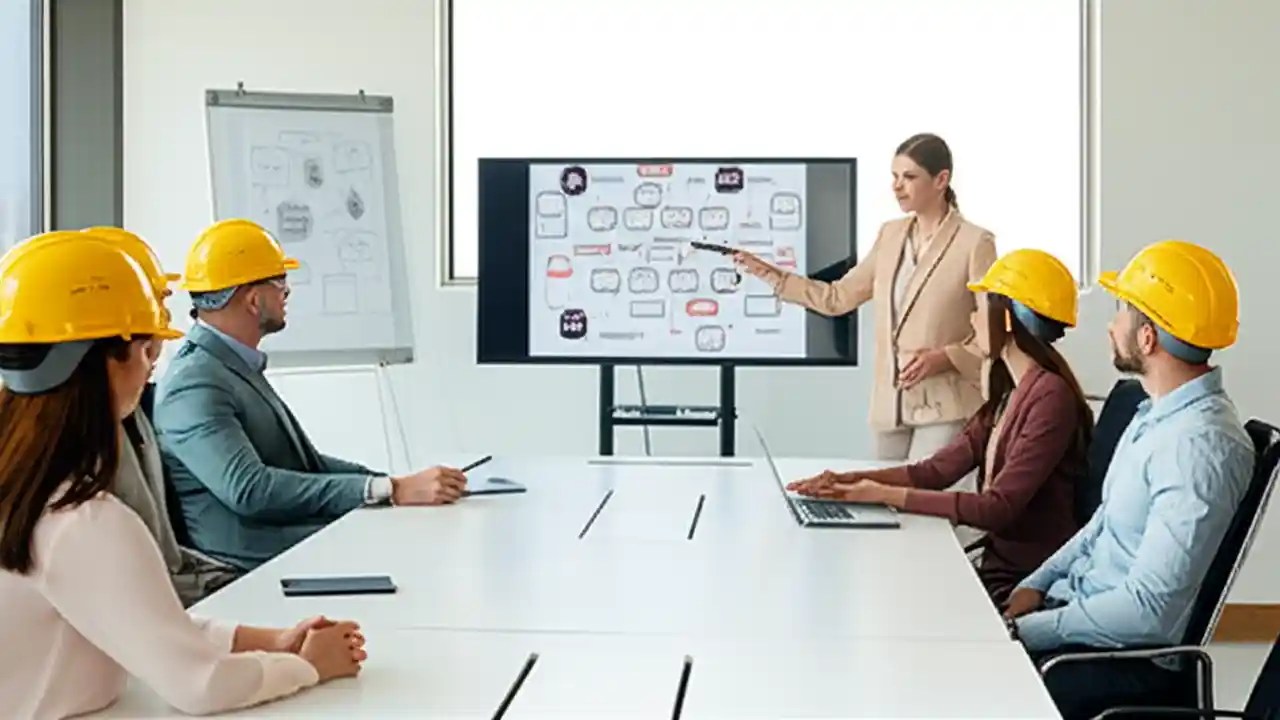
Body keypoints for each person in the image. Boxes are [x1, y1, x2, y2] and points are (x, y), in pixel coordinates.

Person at [0, 232, 366, 718]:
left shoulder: (30, 493)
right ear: (110, 356)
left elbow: (145, 622)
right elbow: (199, 685)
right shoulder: (82, 521)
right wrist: (309, 667)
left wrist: (272, 640)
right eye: (150, 349)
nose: (153, 369)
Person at [1004, 240, 1254, 719]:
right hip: (1082, 620)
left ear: (1147, 338)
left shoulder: (1198, 449)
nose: (1110, 325)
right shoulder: (1154, 415)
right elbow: (1103, 526)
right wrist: (1036, 584)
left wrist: (1034, 629)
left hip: (1122, 661)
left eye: (1121, 311)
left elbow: (1148, 614)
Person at [154, 219, 468, 570]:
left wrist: (392, 487)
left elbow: (306, 465)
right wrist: (388, 489)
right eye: (280, 285)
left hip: (288, 543)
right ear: (255, 300)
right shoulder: (194, 382)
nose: (287, 295)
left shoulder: (231, 365)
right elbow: (249, 490)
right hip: (252, 567)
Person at [788, 249, 1091, 605]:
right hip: (998, 565)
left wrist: (883, 495)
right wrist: (847, 481)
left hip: (1023, 580)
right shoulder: (1010, 390)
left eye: (981, 308)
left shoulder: (1050, 398)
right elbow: (935, 471)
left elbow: (996, 507)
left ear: (1007, 319)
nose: (974, 319)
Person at [736, 134, 996, 484]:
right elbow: (838, 297)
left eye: (909, 177)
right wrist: (769, 274)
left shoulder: (974, 243)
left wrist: (945, 357)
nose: (897, 187)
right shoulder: (890, 236)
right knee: (879, 501)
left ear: (941, 180)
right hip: (890, 405)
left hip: (945, 405)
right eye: (894, 176)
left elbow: (994, 331)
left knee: (925, 505)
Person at [83, 226, 242, 606]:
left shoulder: (132, 411)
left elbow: (165, 556)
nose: (156, 345)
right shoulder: (77, 440)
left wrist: (227, 582)